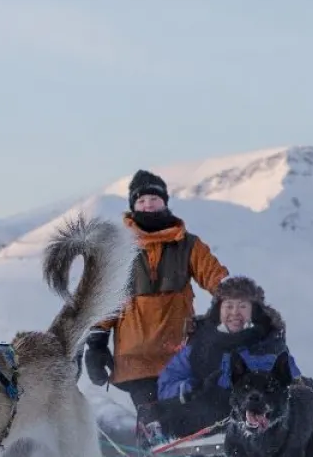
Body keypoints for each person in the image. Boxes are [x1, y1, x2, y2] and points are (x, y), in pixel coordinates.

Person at [83, 169, 229, 409]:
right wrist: (96, 344)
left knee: (183, 414)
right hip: (135, 359)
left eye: (154, 199)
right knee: (152, 420)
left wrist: (235, 300)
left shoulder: (188, 245)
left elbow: (215, 276)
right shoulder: (119, 251)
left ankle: (187, 445)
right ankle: (155, 444)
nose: (148, 205)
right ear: (133, 207)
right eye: (141, 200)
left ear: (165, 202)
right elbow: (107, 299)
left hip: (179, 354)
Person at [143, 275, 302, 442]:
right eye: (229, 306)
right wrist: (190, 389)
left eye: (242, 306)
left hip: (259, 422)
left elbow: (294, 386)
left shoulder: (270, 344)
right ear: (219, 309)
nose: (235, 312)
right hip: (203, 421)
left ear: (254, 310)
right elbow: (168, 381)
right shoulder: (200, 346)